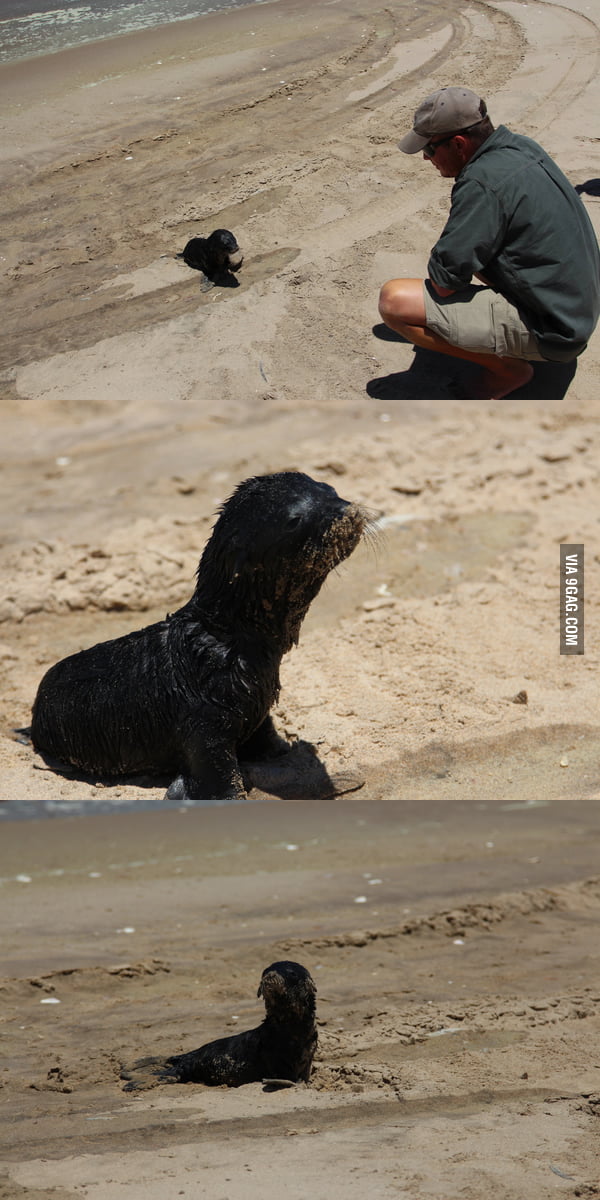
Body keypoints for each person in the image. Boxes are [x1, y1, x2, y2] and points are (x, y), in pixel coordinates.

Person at [378, 86, 600, 398]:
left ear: (458, 143)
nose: (427, 159)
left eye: (429, 150)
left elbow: (444, 282)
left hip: (556, 331)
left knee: (395, 301)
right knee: (483, 253)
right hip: (578, 305)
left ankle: (507, 370)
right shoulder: (521, 146)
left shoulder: (480, 183)